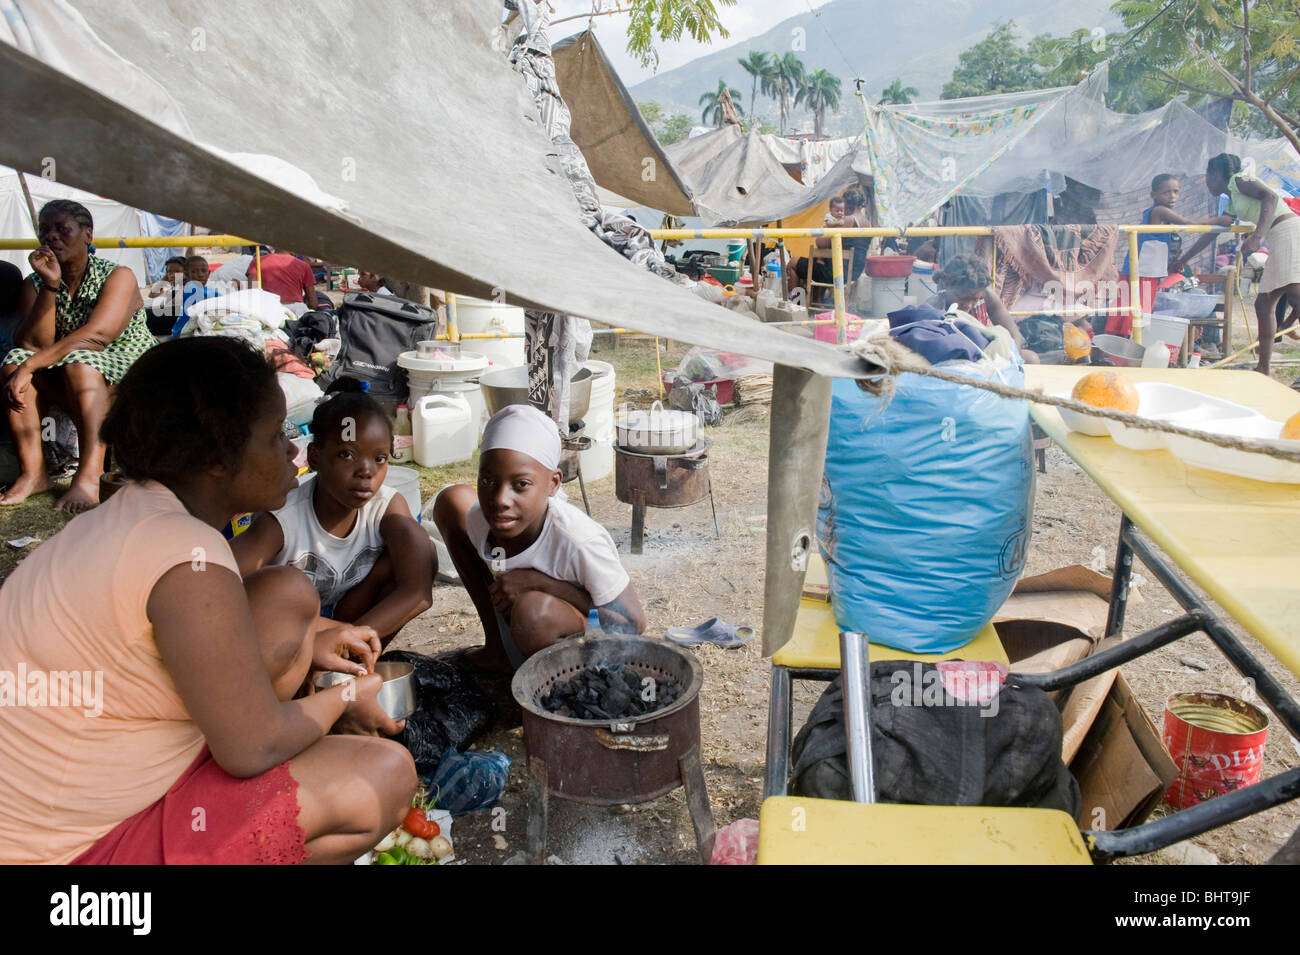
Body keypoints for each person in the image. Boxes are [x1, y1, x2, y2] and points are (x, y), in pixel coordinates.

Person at [0, 337, 417, 864]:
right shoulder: (187, 558)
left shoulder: (137, 517)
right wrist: (348, 698)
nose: (292, 450)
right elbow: (252, 749)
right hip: (70, 854)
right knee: (383, 775)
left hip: (65, 798)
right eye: (274, 435)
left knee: (286, 594)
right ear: (219, 459)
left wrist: (316, 639)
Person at [433, 404, 646, 672]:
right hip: (516, 624)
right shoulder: (480, 520)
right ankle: (498, 648)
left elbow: (633, 624)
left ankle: (557, 688)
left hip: (581, 644)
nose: (500, 500)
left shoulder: (578, 541)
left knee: (533, 612)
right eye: (488, 481)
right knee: (451, 501)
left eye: (520, 485)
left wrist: (542, 584)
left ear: (553, 483)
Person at [232, 379, 436, 645]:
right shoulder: (282, 518)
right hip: (289, 625)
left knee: (420, 551)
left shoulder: (385, 505)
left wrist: (349, 638)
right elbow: (223, 583)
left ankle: (353, 666)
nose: (366, 471)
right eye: (347, 455)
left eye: (379, 459)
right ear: (315, 458)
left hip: (348, 617)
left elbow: (417, 590)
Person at [1, 200, 157, 511]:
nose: (52, 237)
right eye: (45, 230)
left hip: (126, 370)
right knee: (14, 361)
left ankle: (90, 476)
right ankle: (34, 474)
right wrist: (50, 285)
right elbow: (33, 344)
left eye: (62, 229)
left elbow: (97, 336)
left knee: (80, 363)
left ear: (87, 234)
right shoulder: (35, 283)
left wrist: (31, 365)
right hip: (68, 367)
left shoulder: (118, 276)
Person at [1176, 153, 1300, 374]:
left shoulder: (1239, 180)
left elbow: (1269, 197)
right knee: (1263, 305)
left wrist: (1256, 236)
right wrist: (1184, 258)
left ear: (1216, 174)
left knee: (1296, 298)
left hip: (1288, 232)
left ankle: (1270, 364)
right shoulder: (1232, 199)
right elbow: (1215, 230)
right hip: (1278, 236)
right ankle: (1263, 368)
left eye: (1207, 175)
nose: (1206, 181)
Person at [925, 254, 1038, 362]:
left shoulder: (987, 295)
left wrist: (1012, 357)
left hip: (987, 352)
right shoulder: (935, 305)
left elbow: (1013, 332)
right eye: (962, 298)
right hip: (954, 356)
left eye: (974, 299)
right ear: (947, 286)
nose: (968, 305)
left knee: (1031, 358)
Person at [248, 246, 320, 309]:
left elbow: (252, 294)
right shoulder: (304, 266)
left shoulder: (258, 261)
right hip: (295, 311)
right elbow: (313, 304)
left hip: (267, 309)